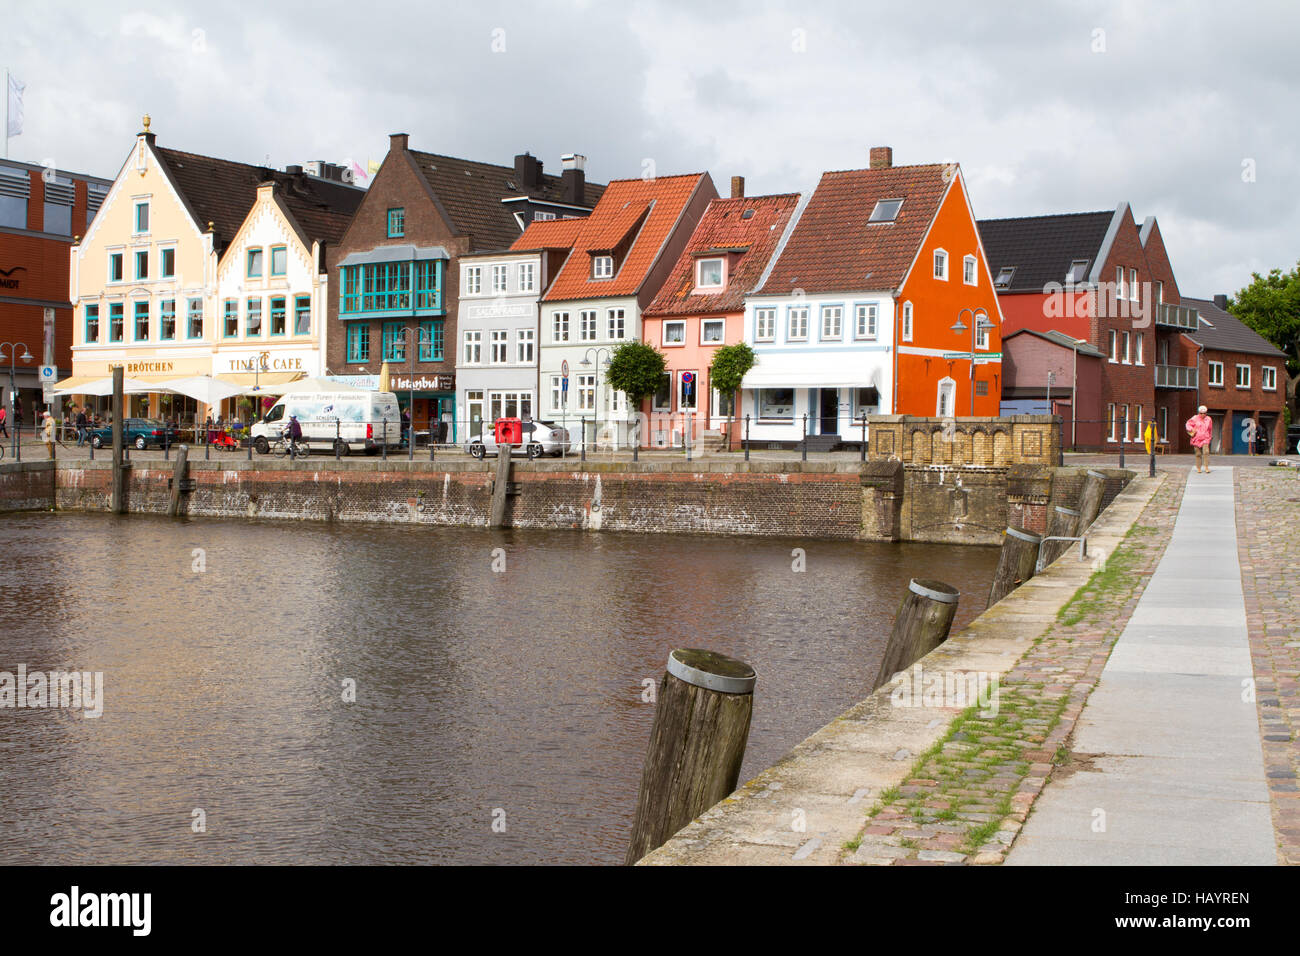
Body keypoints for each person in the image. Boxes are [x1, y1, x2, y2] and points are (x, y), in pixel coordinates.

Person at [1186, 404, 1213, 473]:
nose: (1203, 415)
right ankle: (1199, 468)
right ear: (1199, 413)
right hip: (1196, 438)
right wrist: (1192, 429)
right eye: (1201, 413)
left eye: (1204, 413)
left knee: (1206, 452)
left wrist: (1209, 437)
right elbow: (1188, 424)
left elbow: (1210, 429)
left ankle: (1206, 467)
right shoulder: (1194, 418)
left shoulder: (1208, 419)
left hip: (1205, 438)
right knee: (1198, 454)